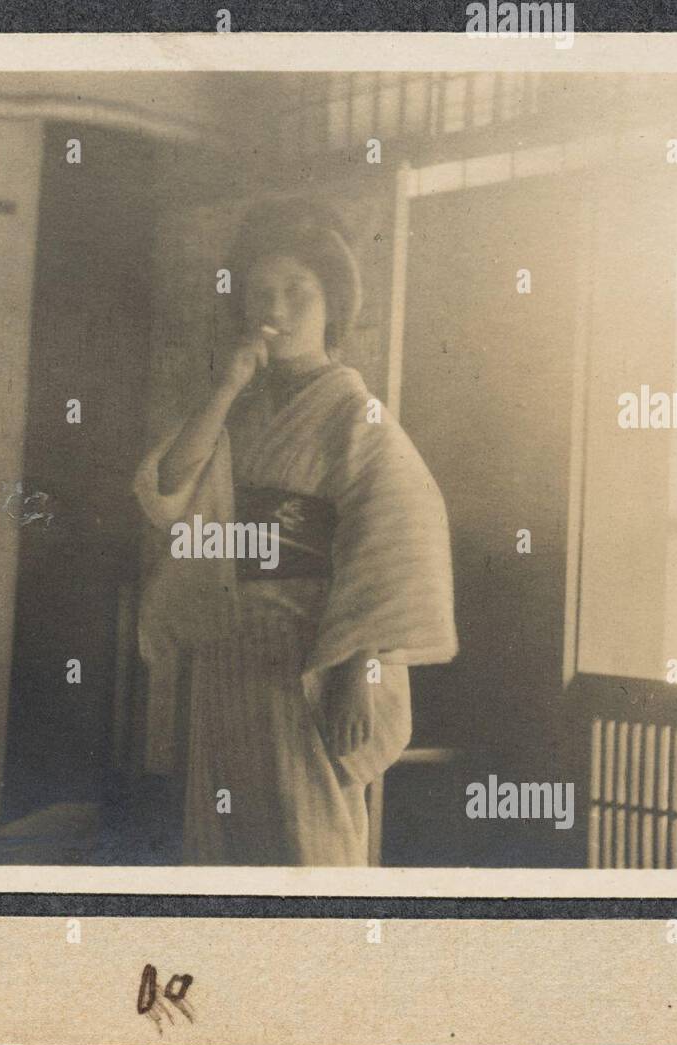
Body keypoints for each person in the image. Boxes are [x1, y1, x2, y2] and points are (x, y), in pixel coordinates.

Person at [132, 197, 458, 866]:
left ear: (332, 303)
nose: (275, 308)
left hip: (306, 659)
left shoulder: (353, 416)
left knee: (308, 845)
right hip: (227, 653)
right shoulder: (239, 405)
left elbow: (393, 547)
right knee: (222, 847)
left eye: (297, 291)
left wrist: (363, 670)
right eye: (261, 292)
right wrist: (225, 386)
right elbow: (169, 491)